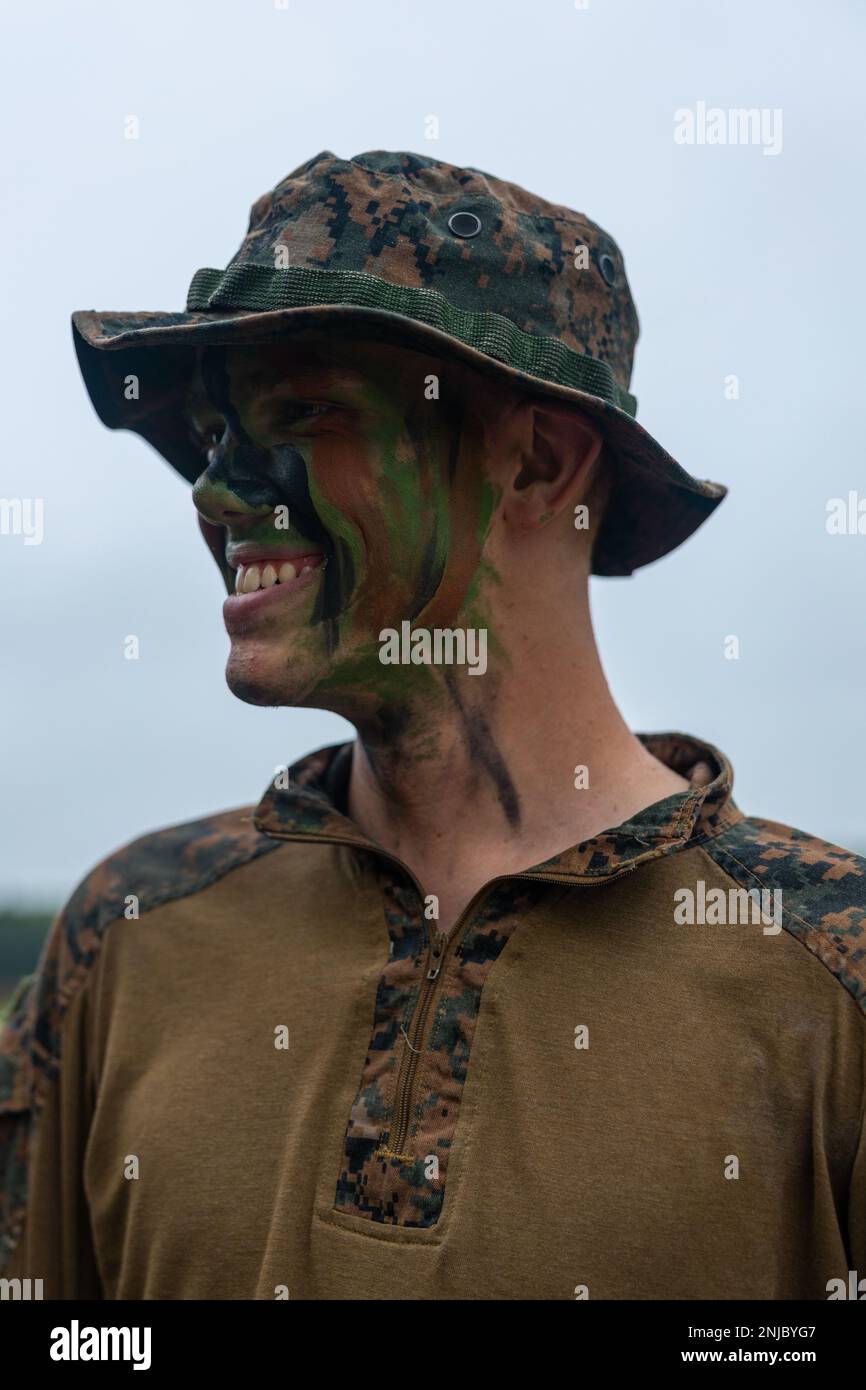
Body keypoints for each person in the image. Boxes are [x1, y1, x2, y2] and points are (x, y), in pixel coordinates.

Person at [1, 150, 863, 1300]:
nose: (216, 491)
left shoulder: (829, 977)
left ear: (537, 463)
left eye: (302, 413)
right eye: (213, 438)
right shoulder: (127, 935)